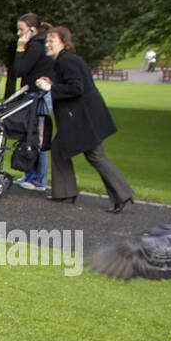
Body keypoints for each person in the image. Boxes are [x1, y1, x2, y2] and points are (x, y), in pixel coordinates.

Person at [36, 25, 134, 213]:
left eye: (52, 41)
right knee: (58, 147)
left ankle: (122, 194)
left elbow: (76, 88)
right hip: (81, 117)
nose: (47, 44)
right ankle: (66, 192)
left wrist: (51, 89)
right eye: (47, 41)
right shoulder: (63, 61)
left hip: (83, 118)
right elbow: (71, 84)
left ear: (63, 42)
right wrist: (52, 83)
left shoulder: (67, 61)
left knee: (95, 155)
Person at [11, 13, 53, 190]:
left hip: (39, 96)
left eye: (22, 29)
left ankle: (39, 180)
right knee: (31, 135)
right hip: (33, 95)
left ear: (32, 29)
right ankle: (30, 174)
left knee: (38, 136)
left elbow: (19, 69)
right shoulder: (39, 44)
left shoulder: (36, 46)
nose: (19, 33)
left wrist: (20, 48)